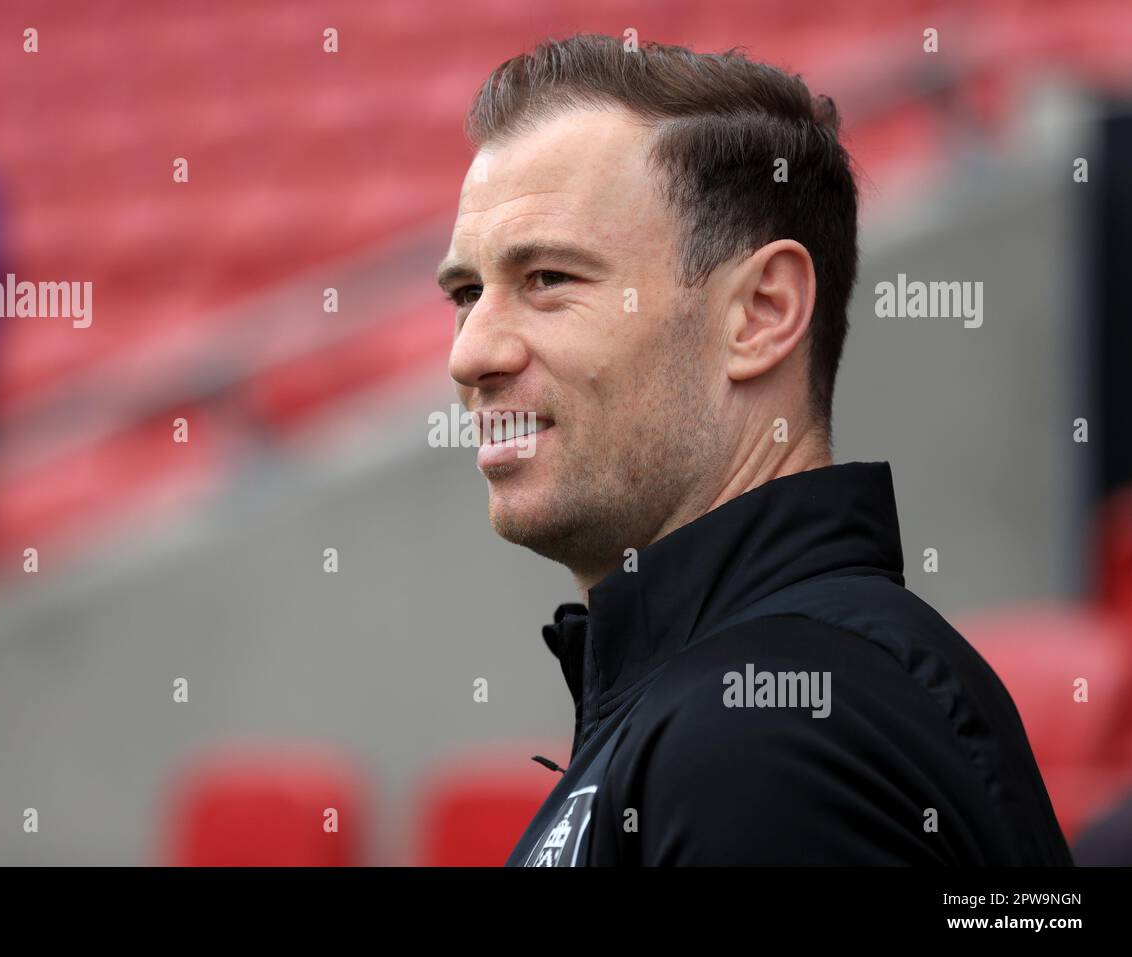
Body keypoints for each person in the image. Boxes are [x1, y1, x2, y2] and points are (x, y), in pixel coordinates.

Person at [437, 35, 1072, 866]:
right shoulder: (730, 708)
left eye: (549, 279)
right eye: (465, 293)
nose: (469, 354)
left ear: (763, 312)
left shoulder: (767, 736)